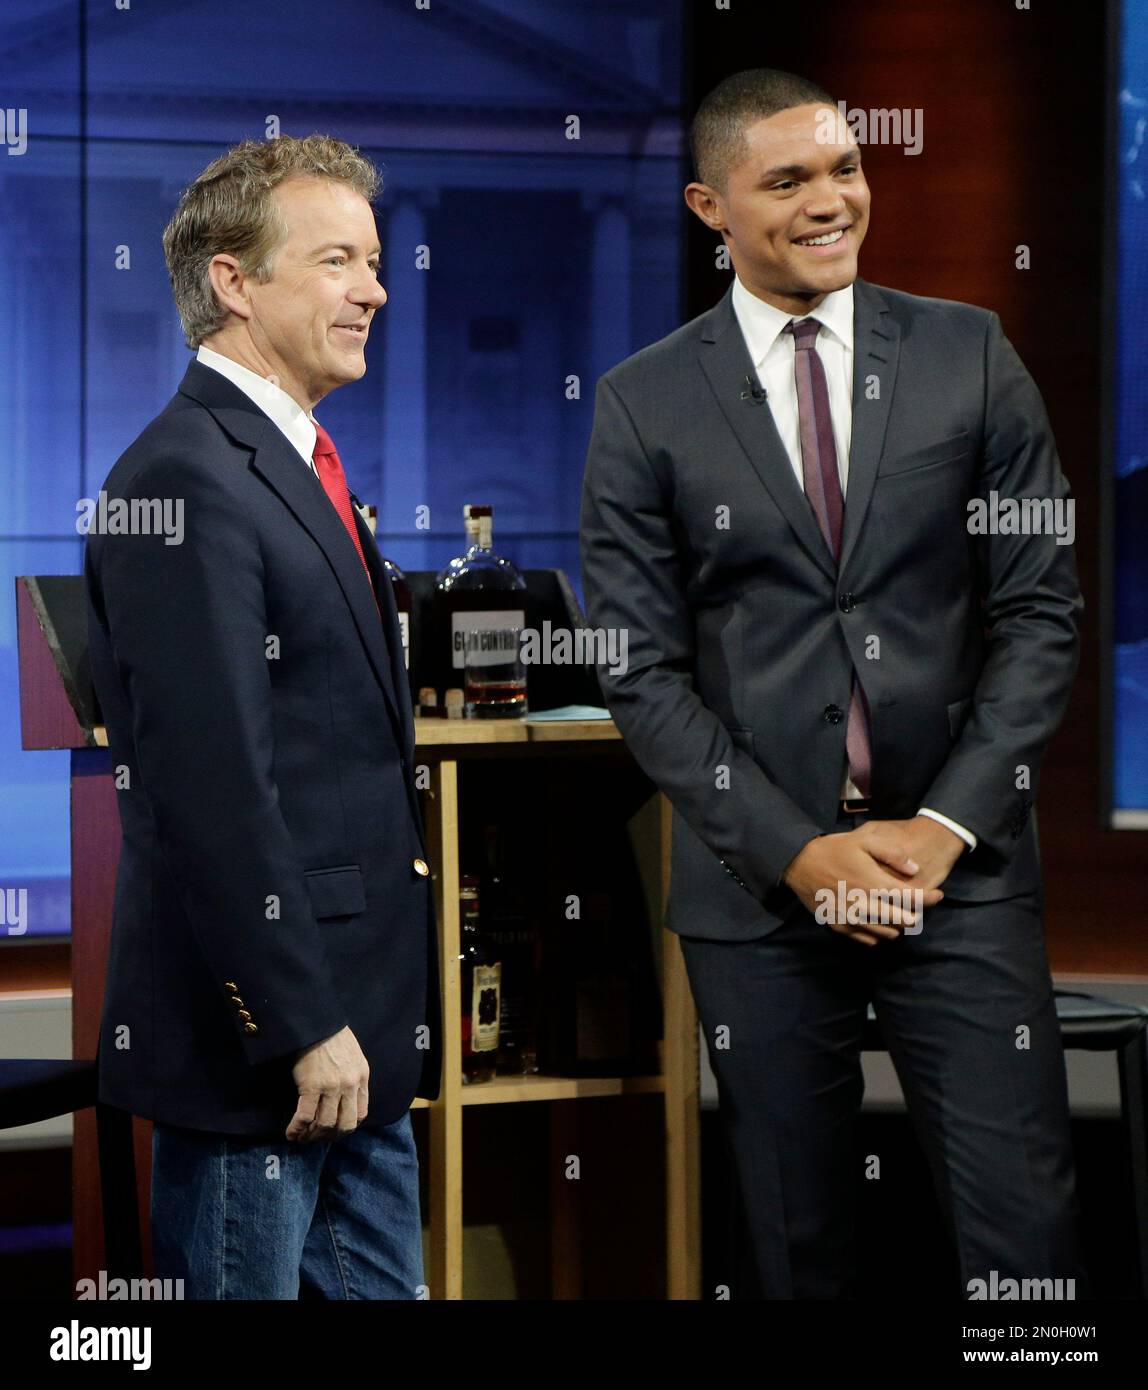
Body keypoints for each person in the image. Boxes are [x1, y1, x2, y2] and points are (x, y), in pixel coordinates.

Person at [580, 68, 1086, 1299]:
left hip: (954, 874)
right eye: (787, 179)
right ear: (709, 205)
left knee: (1020, 1242)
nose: (831, 200)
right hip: (760, 892)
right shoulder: (643, 402)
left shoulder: (966, 353)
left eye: (846, 168)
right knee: (802, 1246)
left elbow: (1038, 610)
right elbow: (635, 670)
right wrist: (799, 853)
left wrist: (940, 826)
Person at [84, 134, 440, 1299]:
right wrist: (294, 1020)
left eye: (375, 261)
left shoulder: (297, 462)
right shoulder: (182, 477)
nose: (376, 290)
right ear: (233, 281)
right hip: (275, 1055)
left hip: (360, 1038)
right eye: (339, 260)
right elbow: (209, 785)